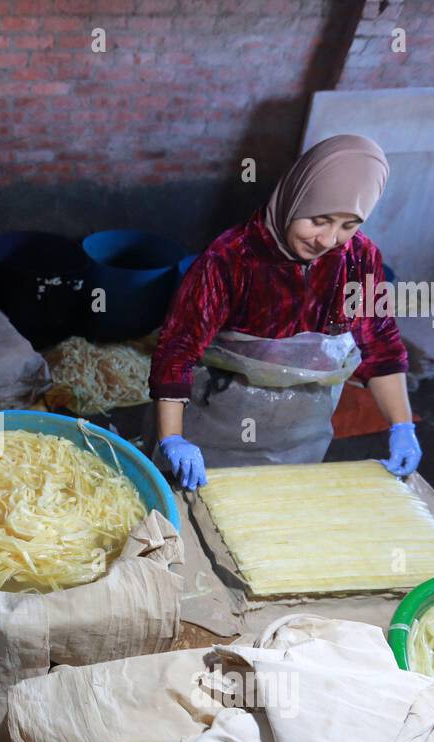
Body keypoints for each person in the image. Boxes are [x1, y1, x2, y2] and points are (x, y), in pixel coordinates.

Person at [149, 134, 418, 489]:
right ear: (296, 196)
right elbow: (177, 350)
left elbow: (379, 344)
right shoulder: (230, 259)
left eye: (348, 225)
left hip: (301, 441)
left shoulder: (359, 259)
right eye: (319, 219)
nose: (327, 239)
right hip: (214, 432)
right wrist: (174, 439)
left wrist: (402, 426)